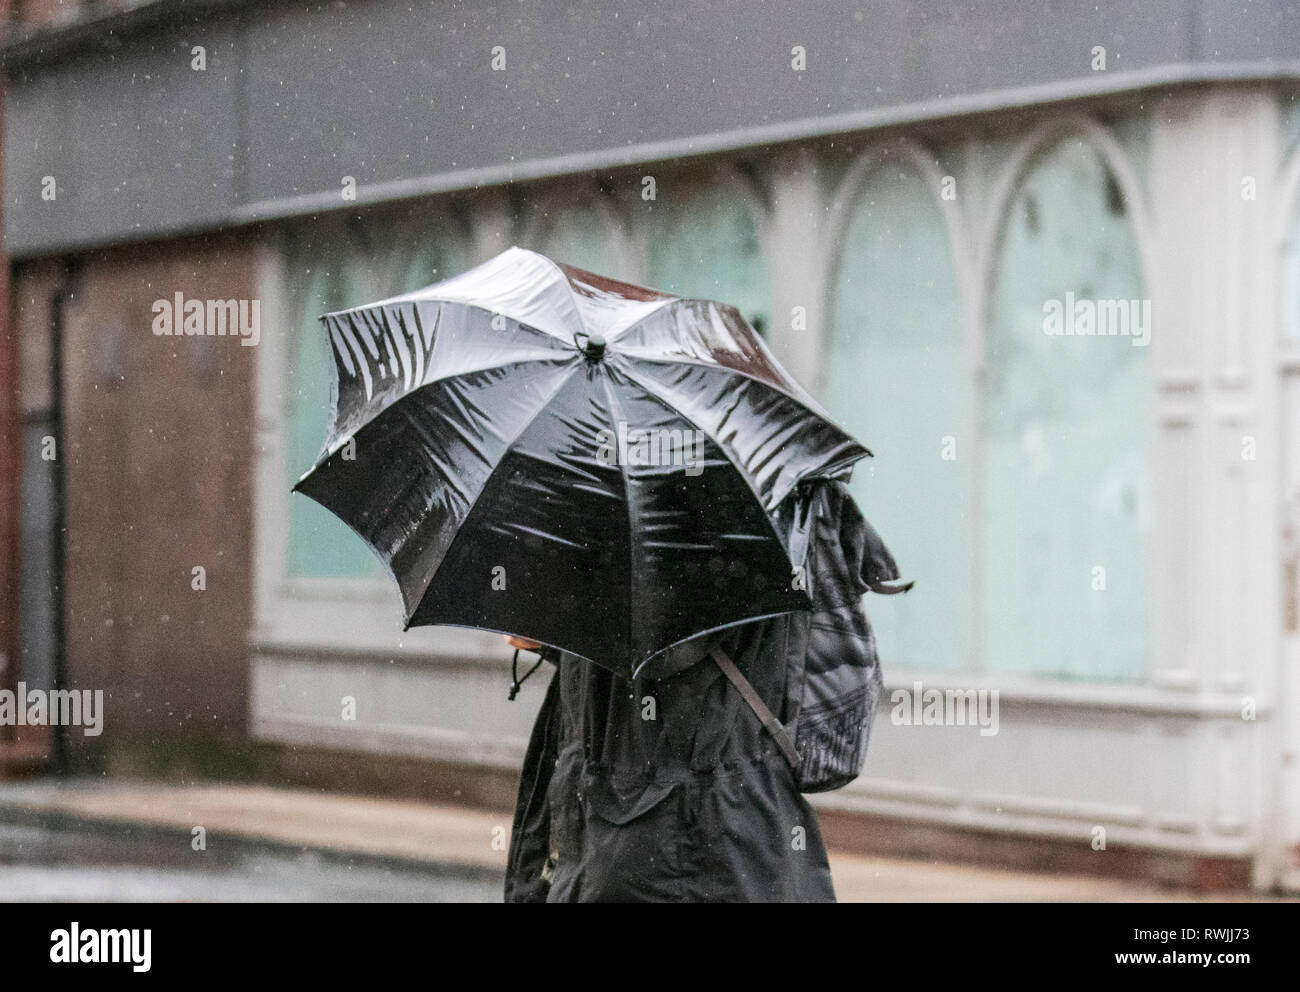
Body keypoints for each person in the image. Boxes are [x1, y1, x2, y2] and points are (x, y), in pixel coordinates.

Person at [502, 476, 904, 902]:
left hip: (677, 833)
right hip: (730, 820)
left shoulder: (708, 512)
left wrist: (566, 603)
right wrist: (553, 637)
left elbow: (664, 650)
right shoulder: (757, 508)